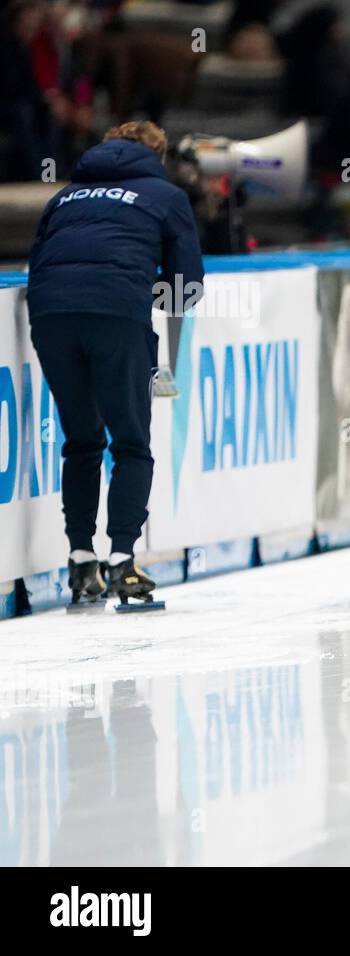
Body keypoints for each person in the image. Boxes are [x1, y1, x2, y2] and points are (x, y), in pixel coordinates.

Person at [26, 120, 204, 610]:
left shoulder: (61, 198)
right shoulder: (166, 196)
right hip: (116, 314)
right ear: (157, 155)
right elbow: (187, 284)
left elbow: (37, 264)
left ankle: (82, 564)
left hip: (50, 315)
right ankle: (122, 562)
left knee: (82, 440)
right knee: (130, 442)